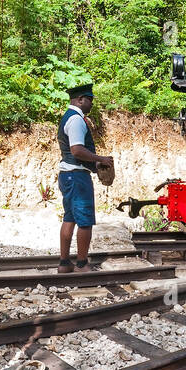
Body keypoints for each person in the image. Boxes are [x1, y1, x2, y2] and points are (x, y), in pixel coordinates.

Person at [55, 81, 113, 272]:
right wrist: (100, 159)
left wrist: (94, 165)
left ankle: (64, 264)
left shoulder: (67, 117)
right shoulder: (77, 120)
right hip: (77, 177)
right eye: (89, 99)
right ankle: (82, 264)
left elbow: (74, 153)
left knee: (69, 218)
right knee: (85, 221)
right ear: (80, 100)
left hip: (68, 175)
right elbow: (78, 150)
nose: (92, 104)